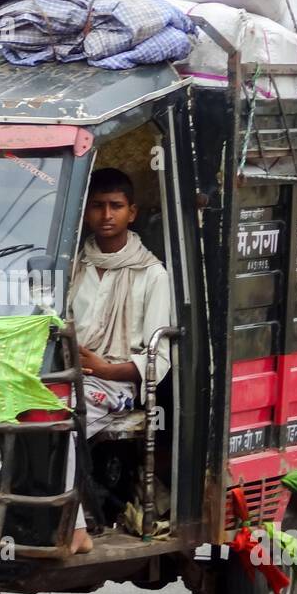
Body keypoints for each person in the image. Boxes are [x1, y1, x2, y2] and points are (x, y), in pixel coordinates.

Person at [65, 168, 171, 554]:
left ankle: (74, 527)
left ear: (132, 213)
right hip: (64, 373)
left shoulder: (152, 274)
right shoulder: (74, 267)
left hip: (114, 384)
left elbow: (160, 358)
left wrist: (105, 369)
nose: (106, 215)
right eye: (97, 206)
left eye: (116, 206)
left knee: (62, 422)